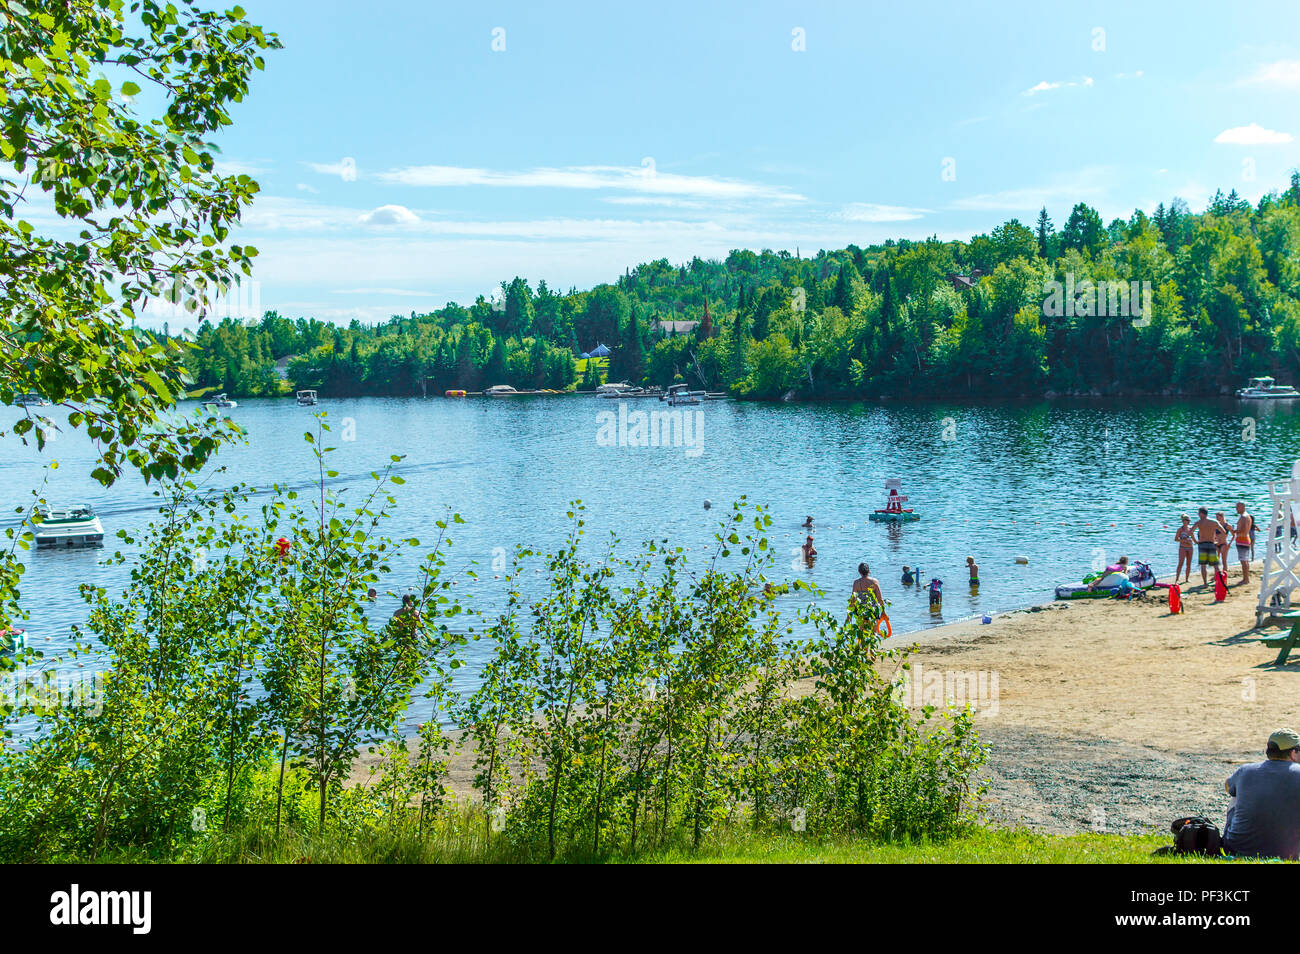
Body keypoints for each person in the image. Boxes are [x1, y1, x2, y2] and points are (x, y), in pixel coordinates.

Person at [1222, 729, 1300, 860]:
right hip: (1287, 852)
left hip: (1237, 848)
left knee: (1235, 794)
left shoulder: (1245, 770)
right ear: (1293, 753)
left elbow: (1227, 786)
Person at [1193, 507, 1220, 586]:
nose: (1198, 514)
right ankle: (1219, 582)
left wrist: (1195, 541)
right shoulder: (1214, 522)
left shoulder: (1199, 522)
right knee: (1215, 564)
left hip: (1202, 544)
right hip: (1211, 543)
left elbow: (1190, 532)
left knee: (1203, 565)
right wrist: (1216, 539)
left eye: (1199, 513)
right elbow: (1223, 531)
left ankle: (1205, 583)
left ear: (1202, 513)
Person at [1234, 501, 1254, 586]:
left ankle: (1246, 579)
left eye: (1237, 507)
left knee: (1243, 561)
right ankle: (1246, 578)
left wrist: (1234, 530)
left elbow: (1244, 529)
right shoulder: (1246, 516)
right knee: (1245, 560)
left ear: (1242, 507)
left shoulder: (1244, 517)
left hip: (1243, 539)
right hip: (1244, 539)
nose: (1236, 509)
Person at [1174, 514, 1194, 584]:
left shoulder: (1191, 528)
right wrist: (1184, 541)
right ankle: (1177, 579)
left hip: (1190, 547)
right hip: (1182, 547)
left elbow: (1193, 538)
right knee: (1181, 563)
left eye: (1189, 520)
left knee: (1189, 564)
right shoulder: (1180, 529)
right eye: (1187, 520)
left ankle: (1187, 579)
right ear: (1183, 521)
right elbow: (1176, 539)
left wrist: (1197, 542)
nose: (1188, 522)